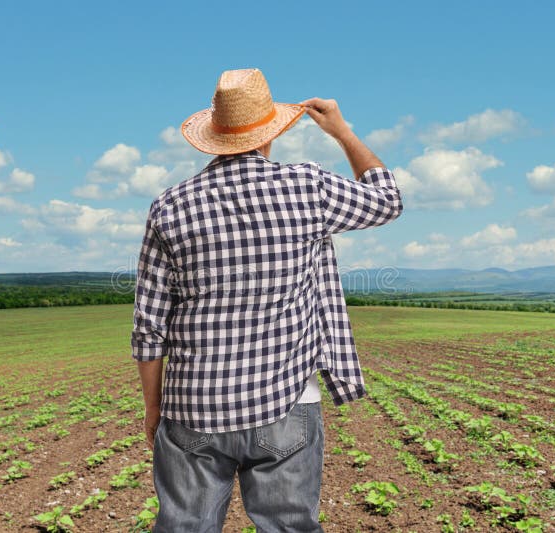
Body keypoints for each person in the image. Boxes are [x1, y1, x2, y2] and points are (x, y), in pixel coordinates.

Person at [131, 68, 403, 532]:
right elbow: (387, 198)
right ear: (270, 133)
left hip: (193, 407)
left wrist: (154, 408)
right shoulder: (307, 186)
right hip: (288, 402)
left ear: (215, 136)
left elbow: (150, 326)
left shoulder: (170, 206)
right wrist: (342, 131)